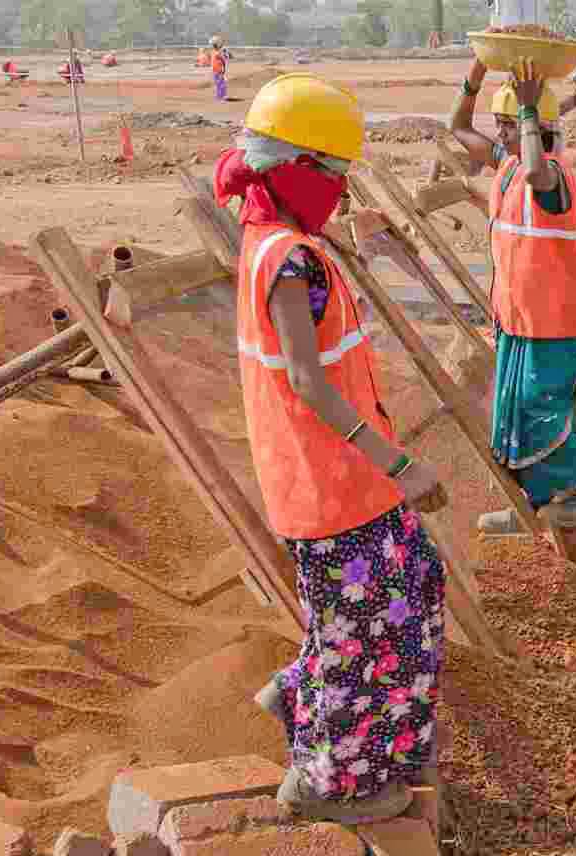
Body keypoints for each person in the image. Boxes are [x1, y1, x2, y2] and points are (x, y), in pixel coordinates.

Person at [216, 72, 448, 822]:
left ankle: (342, 715)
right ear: (294, 170)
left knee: (415, 590)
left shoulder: (277, 236)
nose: (341, 192)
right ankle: (329, 781)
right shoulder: (285, 260)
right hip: (331, 488)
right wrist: (400, 463)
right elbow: (310, 384)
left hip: (349, 481)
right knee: (360, 640)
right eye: (335, 176)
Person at [448, 57, 576, 535]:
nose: (499, 134)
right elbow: (457, 127)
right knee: (516, 414)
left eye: (507, 125)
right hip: (518, 320)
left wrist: (525, 111)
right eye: (499, 124)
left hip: (554, 321)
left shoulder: (553, 177)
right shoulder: (505, 168)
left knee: (544, 410)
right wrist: (476, 75)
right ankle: (538, 504)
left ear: (535, 126)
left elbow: (537, 171)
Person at [211, 36, 229, 101]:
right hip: (215, 71)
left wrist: (223, 68)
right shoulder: (214, 52)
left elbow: (224, 59)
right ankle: (219, 96)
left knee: (221, 83)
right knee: (218, 84)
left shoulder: (217, 53)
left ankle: (223, 96)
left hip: (219, 70)